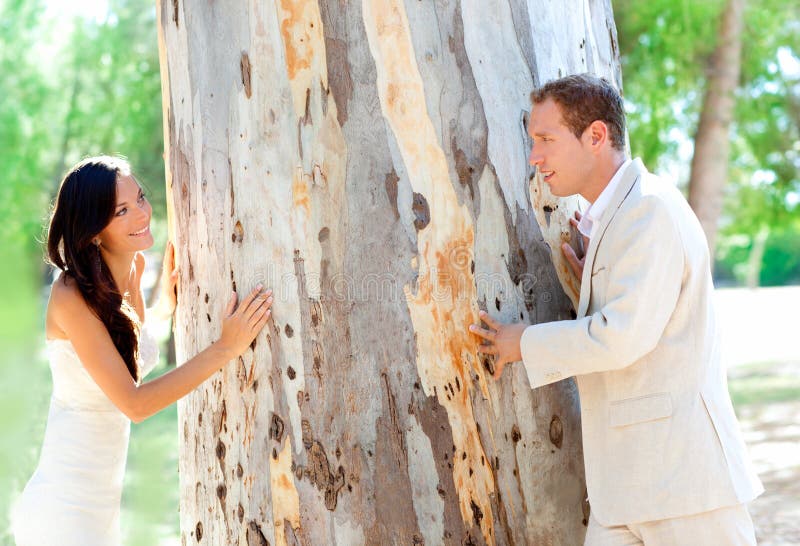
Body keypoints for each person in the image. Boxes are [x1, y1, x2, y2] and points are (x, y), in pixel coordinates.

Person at [469, 75, 763, 545]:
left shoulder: (650, 210)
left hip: (684, 488)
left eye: (546, 139)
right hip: (627, 490)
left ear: (597, 136)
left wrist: (524, 342)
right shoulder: (622, 217)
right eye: (532, 141)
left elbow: (622, 336)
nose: (534, 156)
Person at [11, 156, 273, 546]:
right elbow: (134, 403)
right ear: (94, 230)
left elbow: (125, 360)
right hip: (62, 511)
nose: (142, 214)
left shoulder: (130, 270)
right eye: (122, 210)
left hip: (100, 510)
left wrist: (164, 305)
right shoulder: (69, 296)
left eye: (141, 199)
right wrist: (225, 347)